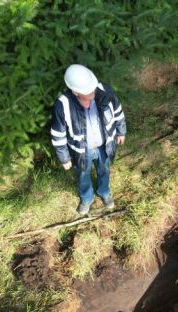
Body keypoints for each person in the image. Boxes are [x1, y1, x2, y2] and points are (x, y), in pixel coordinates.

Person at [50, 64, 127, 215]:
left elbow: (118, 112)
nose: (93, 93)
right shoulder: (63, 105)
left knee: (104, 169)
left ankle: (104, 192)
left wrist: (121, 131)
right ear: (75, 92)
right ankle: (86, 198)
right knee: (83, 174)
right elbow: (58, 135)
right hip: (81, 151)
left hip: (104, 144)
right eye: (88, 92)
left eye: (92, 89)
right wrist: (64, 158)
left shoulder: (104, 91)